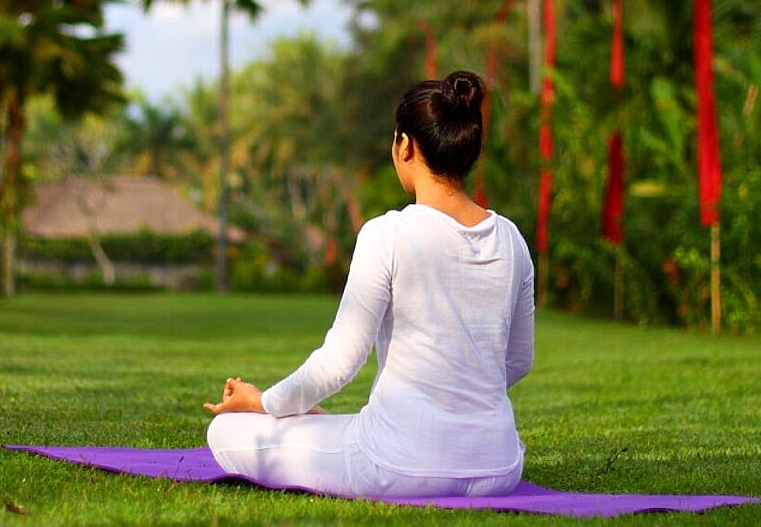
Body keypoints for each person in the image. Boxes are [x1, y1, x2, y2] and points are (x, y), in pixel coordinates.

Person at [203, 70, 535, 498]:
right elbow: (519, 360)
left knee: (227, 430)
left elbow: (339, 362)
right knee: (339, 425)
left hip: (398, 464)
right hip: (498, 468)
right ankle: (312, 420)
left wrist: (262, 403)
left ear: (405, 145)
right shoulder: (511, 238)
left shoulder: (389, 233)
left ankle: (290, 415)